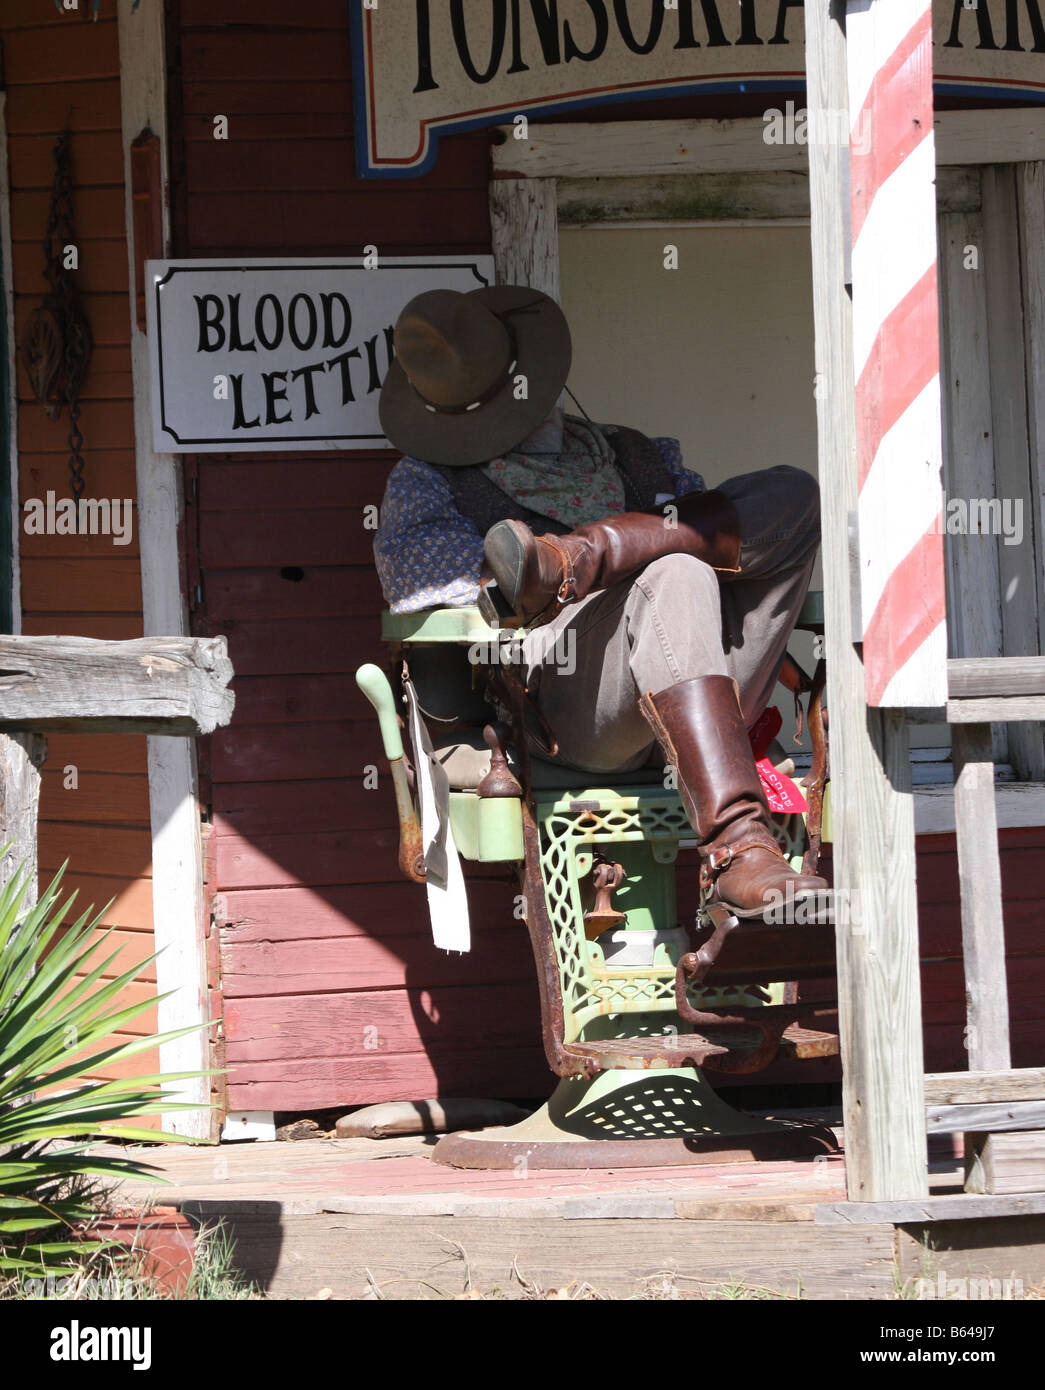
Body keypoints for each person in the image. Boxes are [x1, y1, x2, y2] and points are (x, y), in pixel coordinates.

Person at [374, 283, 827, 920]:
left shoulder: (635, 455)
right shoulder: (428, 486)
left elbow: (737, 543)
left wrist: (588, 557)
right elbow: (439, 603)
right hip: (573, 711)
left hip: (707, 682)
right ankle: (738, 849)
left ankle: (576, 555)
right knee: (677, 570)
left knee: (794, 493)